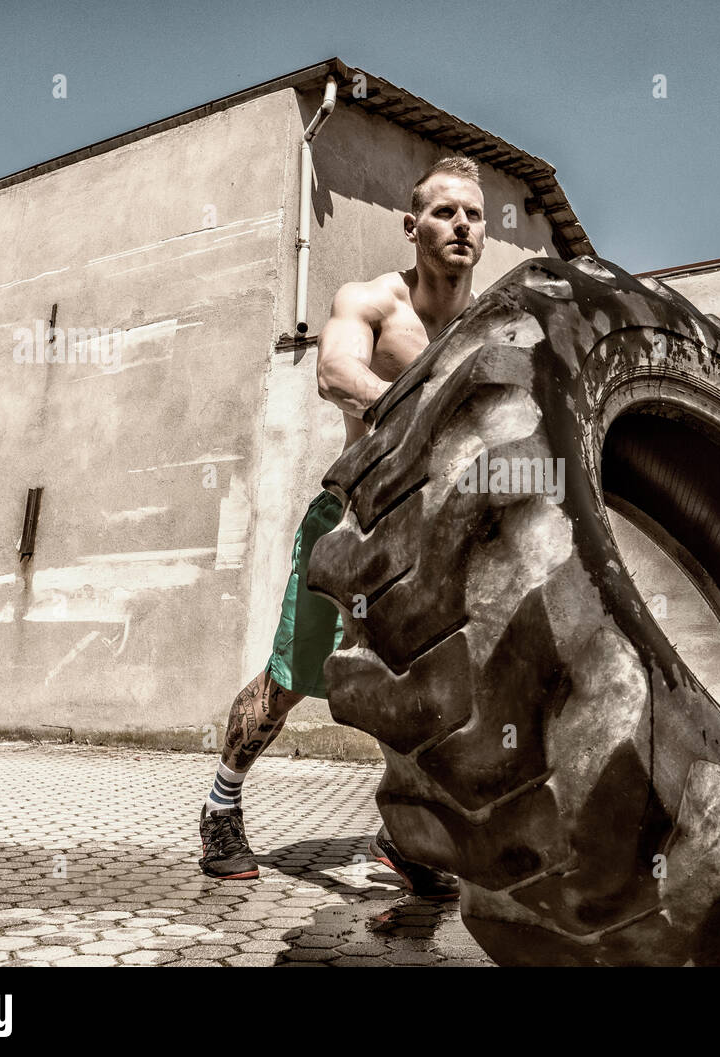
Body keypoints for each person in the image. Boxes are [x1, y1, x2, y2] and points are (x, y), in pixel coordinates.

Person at [198, 156, 488, 899]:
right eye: (446, 212)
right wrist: (435, 413)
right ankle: (221, 804)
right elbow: (336, 375)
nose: (462, 225)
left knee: (442, 695)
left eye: (475, 215)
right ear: (411, 225)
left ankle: (408, 841)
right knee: (292, 683)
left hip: (431, 535)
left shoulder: (488, 330)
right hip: (351, 529)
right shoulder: (371, 302)